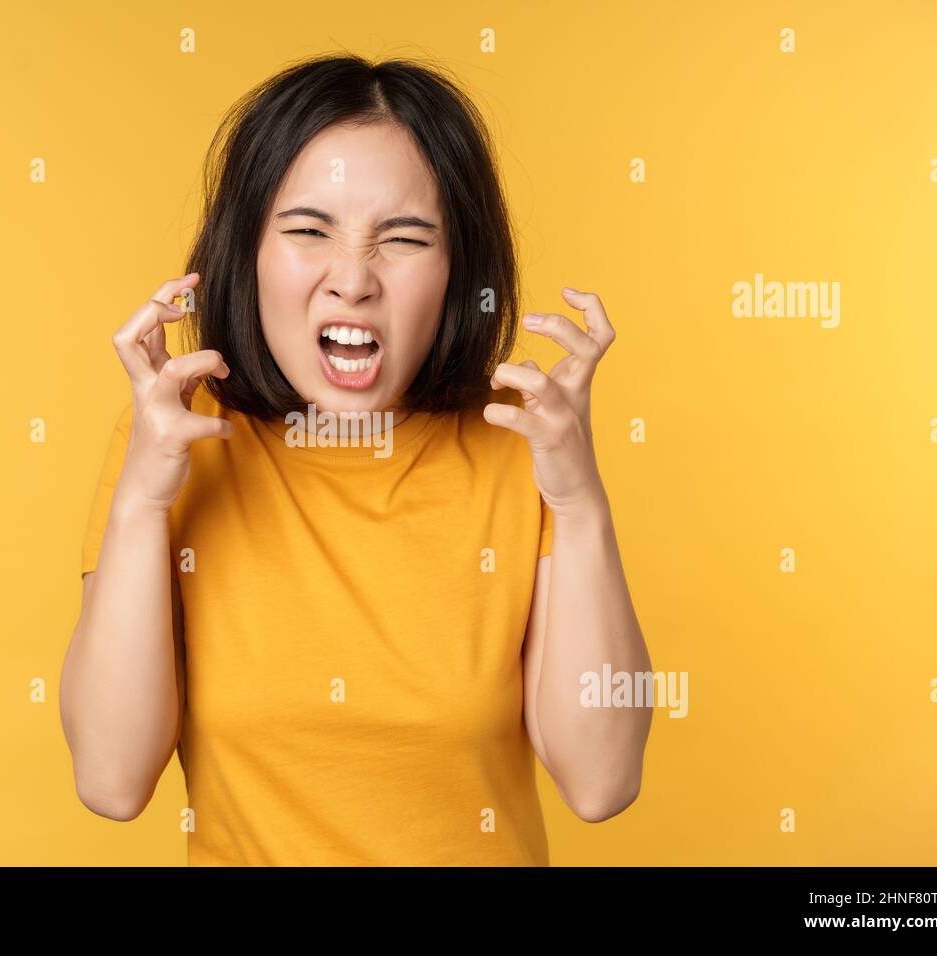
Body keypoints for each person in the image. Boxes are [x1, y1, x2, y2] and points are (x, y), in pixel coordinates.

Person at [60, 53, 652, 866]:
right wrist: (142, 506)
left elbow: (602, 780)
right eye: (308, 230)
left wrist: (581, 506)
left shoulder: (521, 443)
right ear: (248, 253)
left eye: (403, 239)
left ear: (457, 271)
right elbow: (110, 779)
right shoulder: (175, 440)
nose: (352, 280)